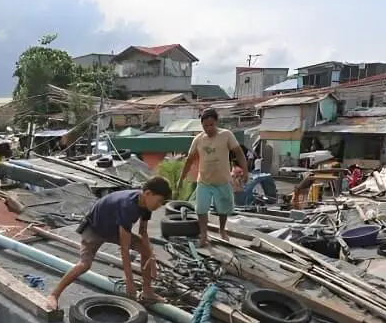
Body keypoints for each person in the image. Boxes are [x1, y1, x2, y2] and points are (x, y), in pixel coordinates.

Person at [44, 177, 172, 311]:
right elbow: (124, 248)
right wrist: (129, 282)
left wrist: (152, 259)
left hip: (114, 229)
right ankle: (54, 294)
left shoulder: (146, 204)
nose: (159, 206)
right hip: (94, 228)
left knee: (146, 250)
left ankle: (147, 292)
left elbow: (143, 232)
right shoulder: (128, 206)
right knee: (84, 265)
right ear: (148, 194)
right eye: (159, 201)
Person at [179, 108, 248, 247]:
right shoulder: (198, 139)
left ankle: (222, 231)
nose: (209, 128)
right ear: (202, 125)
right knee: (201, 209)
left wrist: (246, 171)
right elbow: (189, 160)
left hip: (222, 181)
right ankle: (204, 236)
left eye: (211, 125)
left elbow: (239, 153)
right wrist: (181, 178)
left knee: (223, 209)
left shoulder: (226, 135)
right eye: (205, 126)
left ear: (216, 122)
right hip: (204, 181)